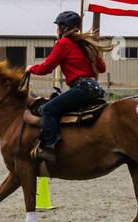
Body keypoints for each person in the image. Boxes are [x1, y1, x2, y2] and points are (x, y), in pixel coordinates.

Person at [22, 10, 110, 165]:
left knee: (48, 109)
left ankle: (50, 147)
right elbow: (102, 68)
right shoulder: (86, 45)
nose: (57, 30)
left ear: (63, 28)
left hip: (81, 88)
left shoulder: (64, 43)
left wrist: (30, 68)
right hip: (95, 89)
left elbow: (46, 68)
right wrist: (93, 53)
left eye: (58, 27)